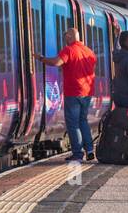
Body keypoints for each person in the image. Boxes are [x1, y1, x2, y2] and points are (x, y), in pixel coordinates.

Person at [36, 27, 98, 163]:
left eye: (66, 37)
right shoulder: (90, 52)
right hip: (87, 93)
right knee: (83, 121)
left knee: (73, 124)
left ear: (70, 37)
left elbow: (57, 62)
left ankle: (77, 153)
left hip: (73, 92)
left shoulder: (69, 50)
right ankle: (90, 150)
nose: (65, 40)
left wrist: (41, 58)